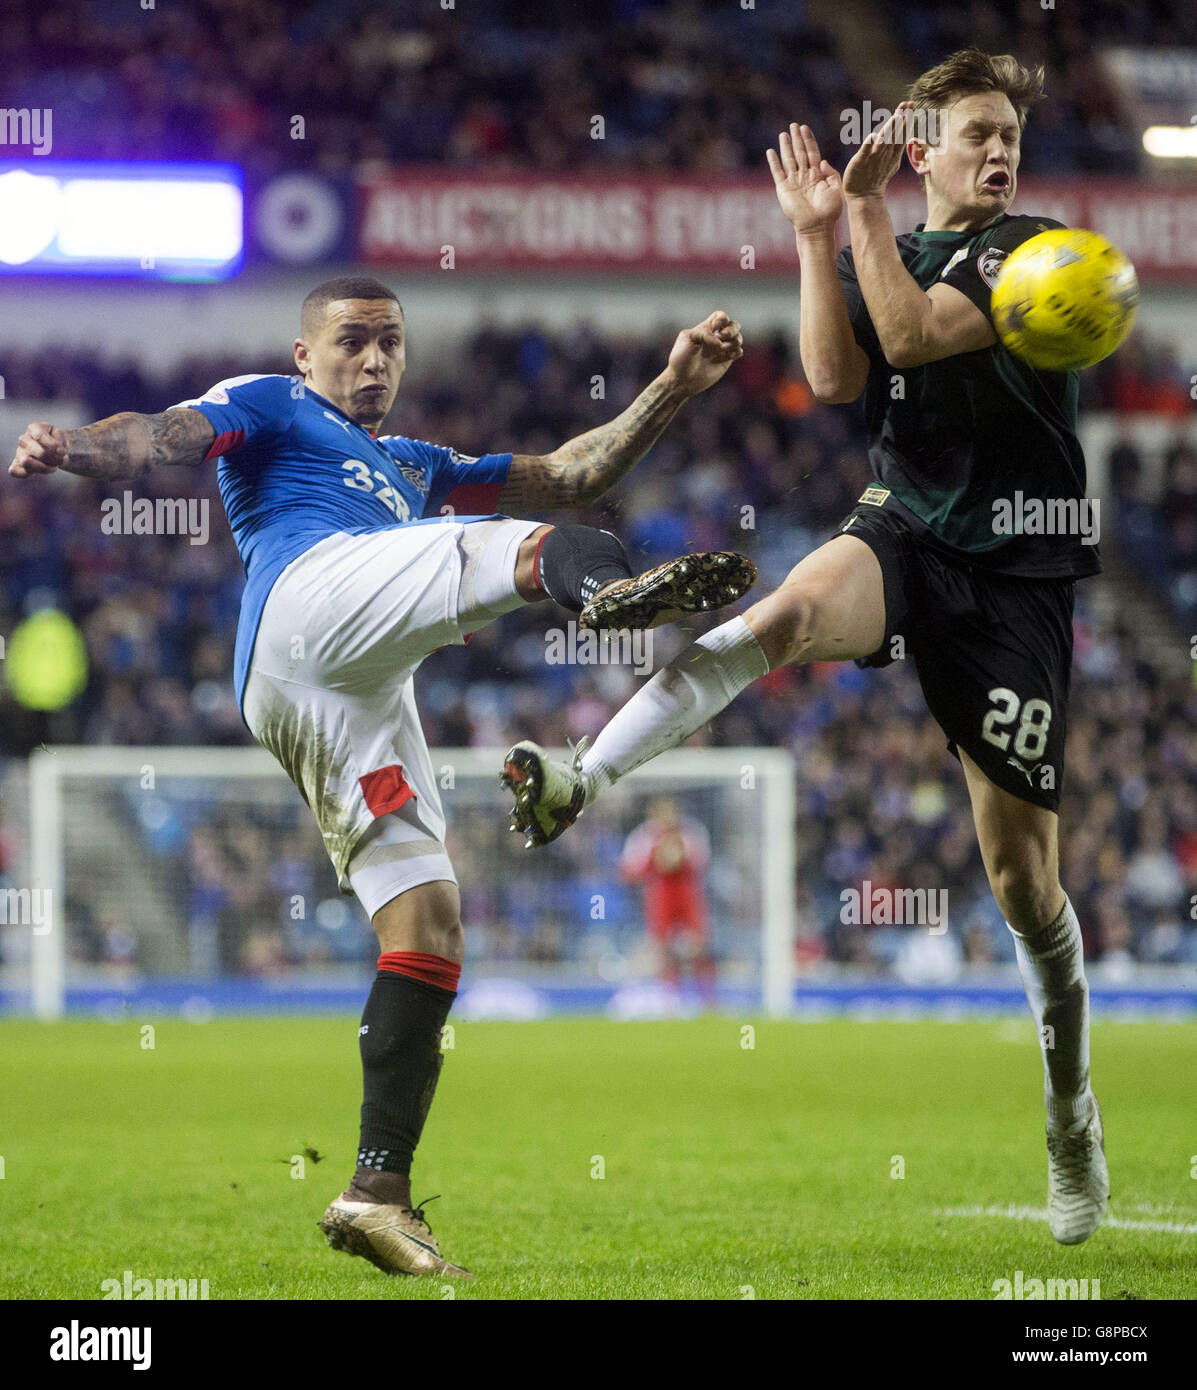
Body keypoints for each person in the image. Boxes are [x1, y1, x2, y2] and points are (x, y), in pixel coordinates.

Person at [8, 277, 755, 1278]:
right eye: (352, 342)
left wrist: (671, 386)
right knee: (551, 552)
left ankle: (376, 1191)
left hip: (341, 694)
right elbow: (168, 434)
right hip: (306, 607)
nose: (373, 362)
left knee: (431, 921)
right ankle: (600, 595)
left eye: (390, 344)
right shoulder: (271, 402)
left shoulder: (416, 465)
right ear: (305, 353)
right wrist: (79, 451)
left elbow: (574, 470)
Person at [503, 49, 1109, 1245]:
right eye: (976, 133)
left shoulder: (1030, 249)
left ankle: (1069, 1108)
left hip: (1019, 575)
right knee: (779, 612)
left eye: (1010, 136)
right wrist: (813, 233)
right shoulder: (891, 237)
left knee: (1023, 886)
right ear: (925, 144)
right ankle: (587, 775)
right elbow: (836, 374)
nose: (1000, 152)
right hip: (904, 531)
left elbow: (913, 332)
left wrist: (866, 210)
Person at [620, 797, 715, 1006]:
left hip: (688, 896)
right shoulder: (642, 837)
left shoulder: (691, 832)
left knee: (698, 949)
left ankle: (708, 1001)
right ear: (653, 814)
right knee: (663, 952)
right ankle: (671, 1001)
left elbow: (703, 863)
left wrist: (678, 857)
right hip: (660, 898)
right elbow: (628, 871)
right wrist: (657, 860)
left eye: (670, 811)